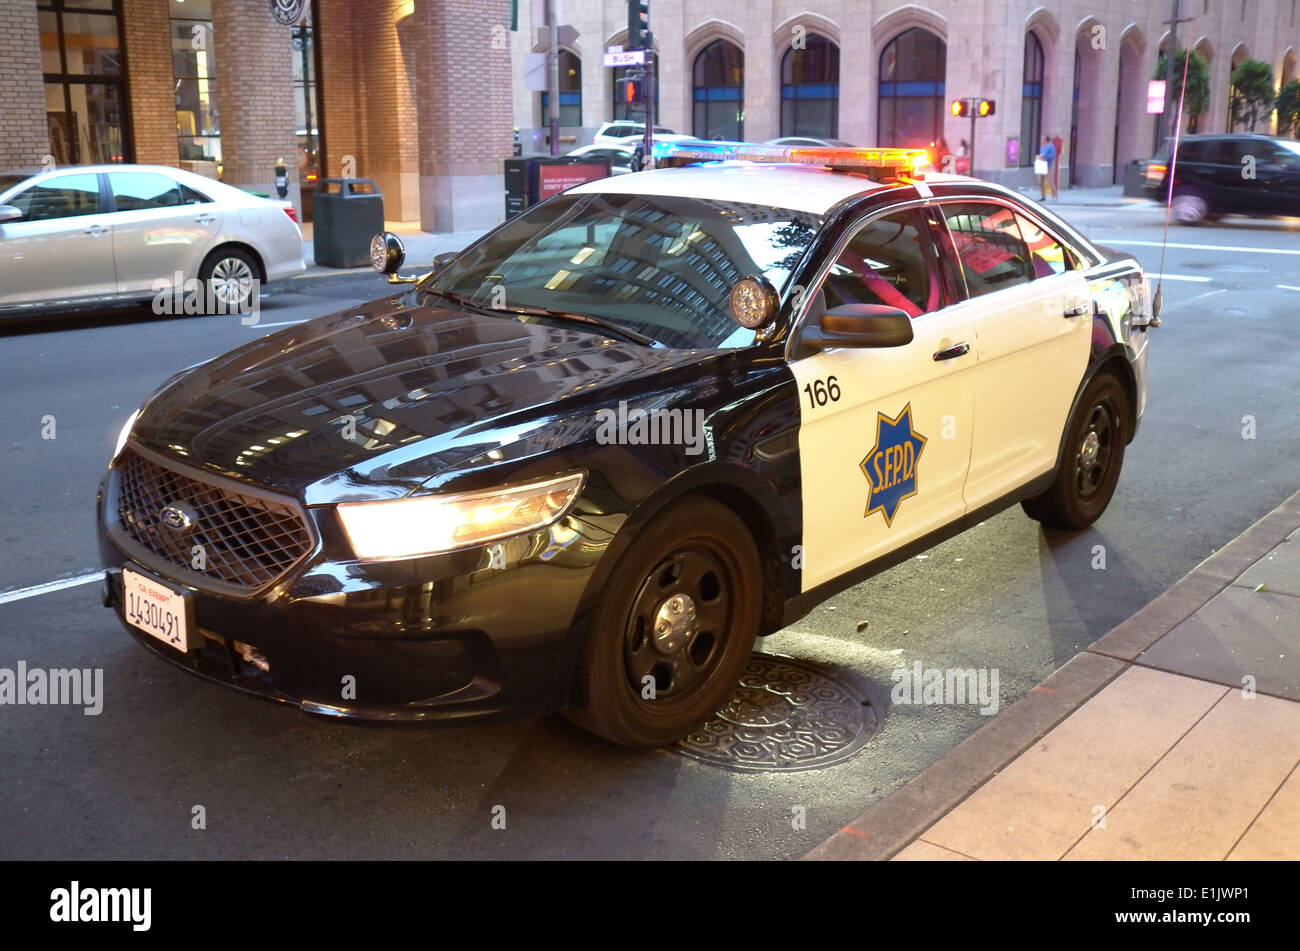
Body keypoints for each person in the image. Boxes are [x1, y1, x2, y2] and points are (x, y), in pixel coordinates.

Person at [1037, 135, 1057, 200]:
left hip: (1049, 166)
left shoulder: (1051, 147)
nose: (1041, 140)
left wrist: (1045, 156)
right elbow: (1041, 155)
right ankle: (1042, 196)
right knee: (1040, 181)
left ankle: (1054, 196)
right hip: (1042, 165)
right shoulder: (1042, 147)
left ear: (1046, 140)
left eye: (1043, 139)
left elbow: (1053, 155)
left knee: (1050, 181)